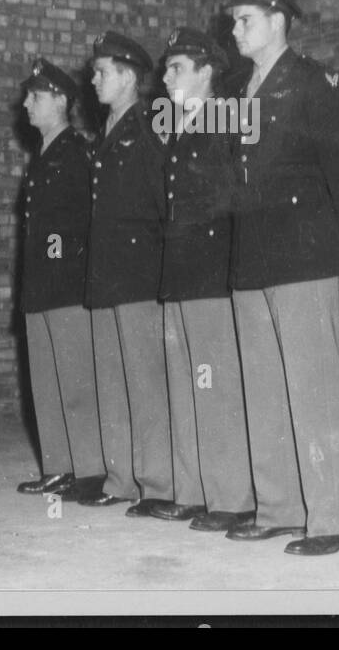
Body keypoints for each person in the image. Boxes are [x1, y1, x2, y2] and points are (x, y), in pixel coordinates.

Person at [224, 0, 339, 556]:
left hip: (305, 254)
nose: (234, 29)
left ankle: (333, 516)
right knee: (263, 386)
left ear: (278, 20)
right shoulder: (236, 89)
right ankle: (278, 505)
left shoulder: (312, 84)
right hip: (251, 255)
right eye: (233, 20)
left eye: (244, 19)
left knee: (313, 388)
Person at [151, 28, 256, 531]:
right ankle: (193, 491)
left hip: (212, 270)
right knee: (184, 384)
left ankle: (232, 497)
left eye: (177, 68)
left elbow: (232, 199)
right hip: (181, 272)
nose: (166, 77)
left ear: (206, 72)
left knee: (214, 387)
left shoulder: (226, 120)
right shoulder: (179, 124)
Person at [79, 31, 173, 515]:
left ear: (130, 77)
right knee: (111, 380)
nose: (94, 79)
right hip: (107, 272)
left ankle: (157, 483)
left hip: (138, 271)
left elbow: (163, 202)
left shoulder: (150, 125)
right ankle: (121, 478)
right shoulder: (107, 129)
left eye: (102, 72)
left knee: (144, 381)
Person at [16, 60, 106, 501]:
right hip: (40, 288)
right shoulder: (43, 157)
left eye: (35, 96)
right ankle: (58, 466)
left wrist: (62, 270)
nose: (26, 103)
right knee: (46, 383)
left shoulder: (75, 152)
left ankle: (89, 470)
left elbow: (79, 225)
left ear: (61, 102)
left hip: (67, 286)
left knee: (74, 382)